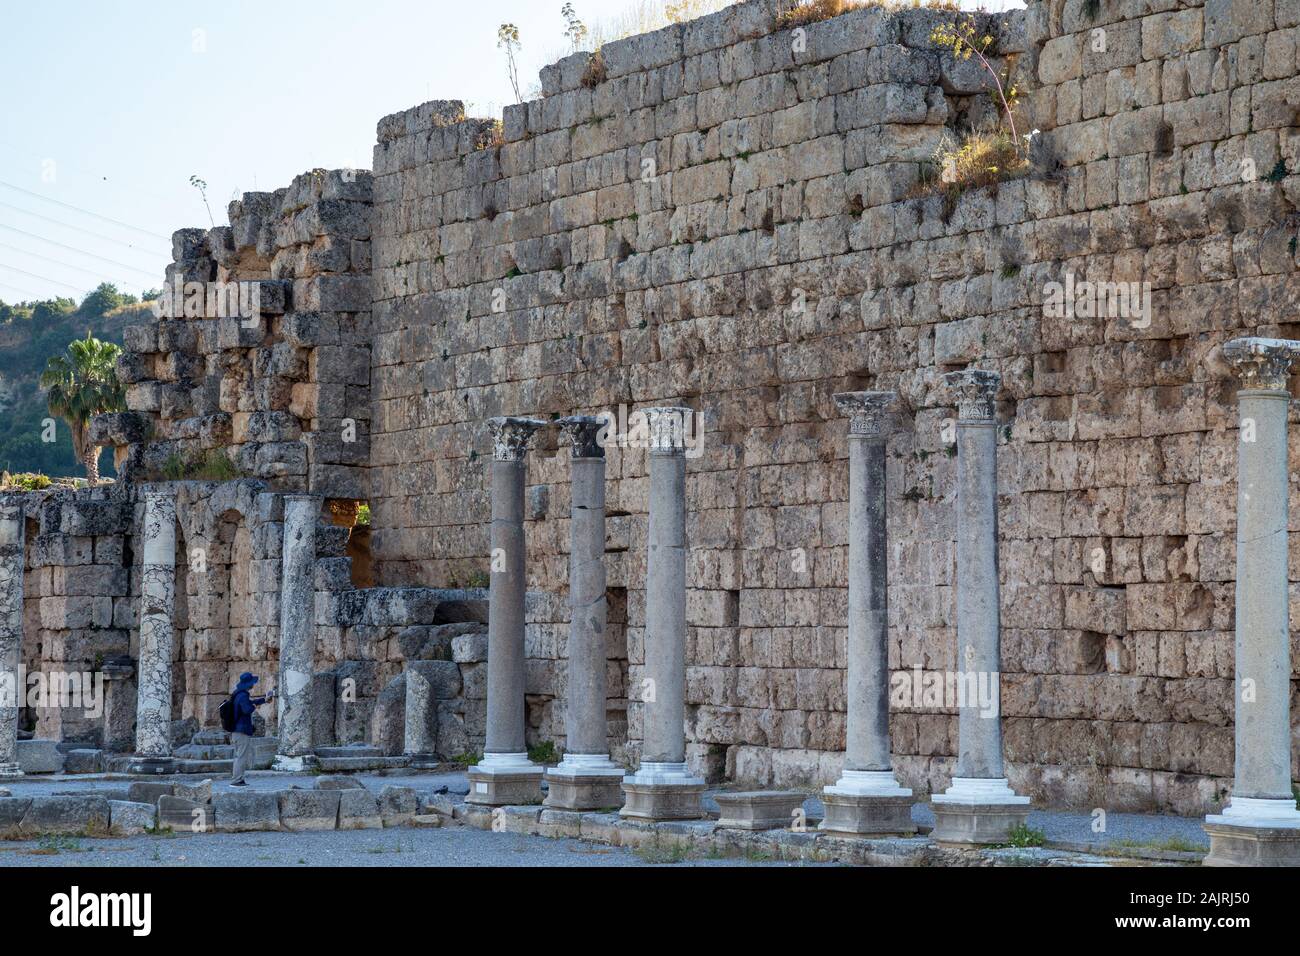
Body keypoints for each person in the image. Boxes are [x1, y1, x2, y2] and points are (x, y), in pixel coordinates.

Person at [229, 672, 273, 787]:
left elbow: (250, 703)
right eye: (252, 683)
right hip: (242, 730)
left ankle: (238, 779)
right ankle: (236, 780)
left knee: (239, 756)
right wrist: (254, 706)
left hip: (237, 730)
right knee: (241, 756)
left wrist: (264, 700)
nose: (253, 684)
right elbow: (247, 709)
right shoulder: (243, 695)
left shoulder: (238, 694)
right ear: (249, 684)